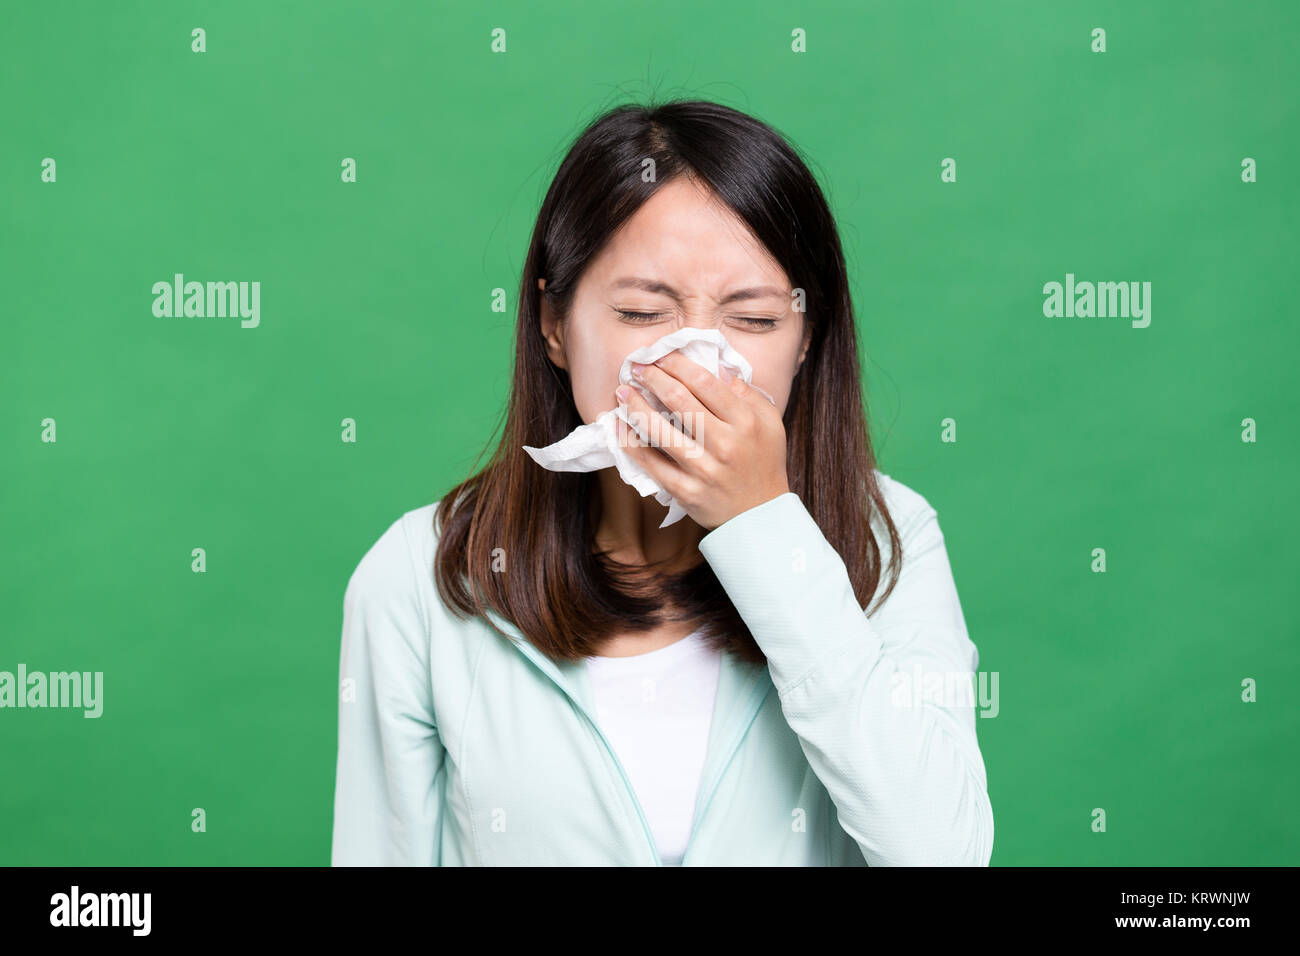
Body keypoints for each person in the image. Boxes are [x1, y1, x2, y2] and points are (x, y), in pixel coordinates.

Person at [331, 98, 994, 866]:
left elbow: (942, 852)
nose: (693, 363)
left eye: (753, 321)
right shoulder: (419, 578)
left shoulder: (890, 538)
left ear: (808, 339)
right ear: (553, 324)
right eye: (645, 311)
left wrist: (764, 524)